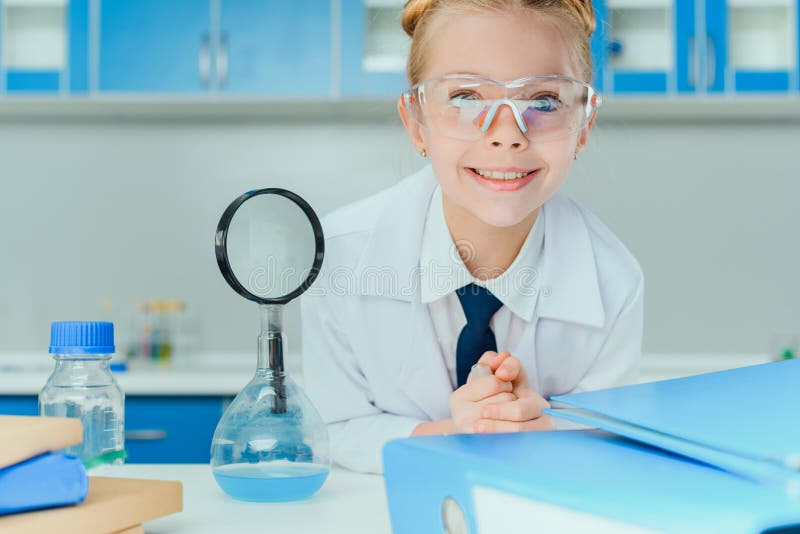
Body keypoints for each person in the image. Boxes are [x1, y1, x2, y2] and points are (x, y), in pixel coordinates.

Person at [301, 0, 644, 474]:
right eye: (466, 97)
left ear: (583, 125)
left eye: (543, 101)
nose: (507, 134)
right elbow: (336, 428)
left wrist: (541, 428)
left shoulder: (614, 281)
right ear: (416, 124)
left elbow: (605, 440)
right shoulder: (339, 254)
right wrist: (457, 435)